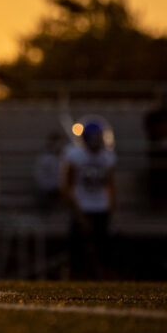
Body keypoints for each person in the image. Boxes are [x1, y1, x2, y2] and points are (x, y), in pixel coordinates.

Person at [62, 116, 117, 279]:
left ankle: (106, 283)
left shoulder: (107, 157)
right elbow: (66, 186)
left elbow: (111, 186)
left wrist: (111, 209)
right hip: (82, 207)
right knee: (76, 254)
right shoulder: (75, 155)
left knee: (105, 253)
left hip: (100, 208)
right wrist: (78, 214)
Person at [33, 132, 65, 213]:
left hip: (57, 185)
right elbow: (40, 175)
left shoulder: (63, 156)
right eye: (58, 142)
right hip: (47, 185)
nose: (60, 145)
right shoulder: (45, 157)